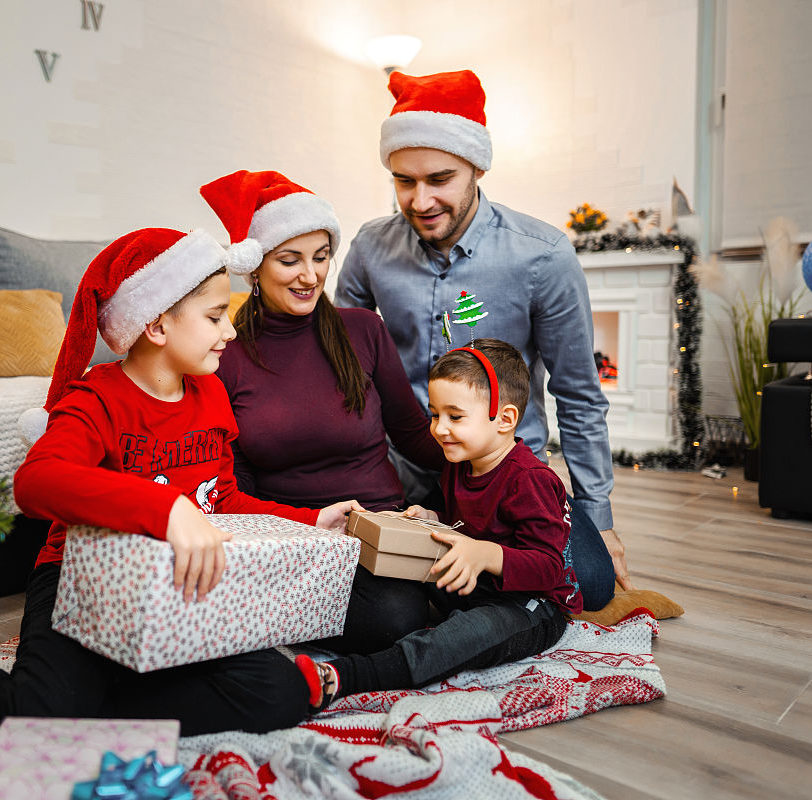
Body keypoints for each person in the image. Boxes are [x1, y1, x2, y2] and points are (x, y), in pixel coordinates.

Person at [0, 227, 361, 736]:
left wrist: (311, 519)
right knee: (43, 708)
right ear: (156, 326)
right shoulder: (96, 399)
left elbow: (224, 498)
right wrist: (164, 507)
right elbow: (35, 482)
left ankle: (98, 698)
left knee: (279, 693)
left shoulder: (212, 394)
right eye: (215, 317)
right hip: (80, 581)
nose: (231, 332)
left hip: (178, 587)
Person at [334, 69, 631, 608]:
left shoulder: (542, 255)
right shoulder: (371, 247)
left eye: (439, 179)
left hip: (503, 475)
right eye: (404, 181)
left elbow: (580, 395)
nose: (420, 200)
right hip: (406, 470)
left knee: (590, 582)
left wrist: (598, 516)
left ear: (477, 166)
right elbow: (337, 359)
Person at [200, 169, 446, 652]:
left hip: (383, 528)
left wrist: (500, 465)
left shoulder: (363, 330)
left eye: (320, 257)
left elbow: (413, 433)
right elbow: (236, 476)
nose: (310, 276)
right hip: (295, 538)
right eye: (290, 260)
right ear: (254, 265)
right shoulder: (225, 353)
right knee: (391, 620)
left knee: (402, 615)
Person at [295, 339, 578, 709]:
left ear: (505, 419)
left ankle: (347, 676)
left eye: (455, 417)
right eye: (434, 414)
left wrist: (485, 553)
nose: (439, 429)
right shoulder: (458, 465)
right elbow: (464, 521)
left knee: (460, 638)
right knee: (392, 574)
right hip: (471, 585)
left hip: (529, 604)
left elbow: (548, 567)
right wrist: (434, 520)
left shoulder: (530, 479)